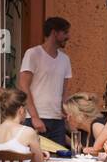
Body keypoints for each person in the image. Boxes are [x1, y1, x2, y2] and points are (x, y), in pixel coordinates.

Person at [18, 16, 73, 146]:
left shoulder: (65, 59)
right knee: (34, 161)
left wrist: (66, 112)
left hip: (58, 120)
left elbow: (64, 91)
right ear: (54, 33)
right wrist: (34, 117)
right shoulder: (33, 54)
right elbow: (23, 86)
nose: (68, 36)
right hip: (36, 118)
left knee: (59, 161)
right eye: (65, 32)